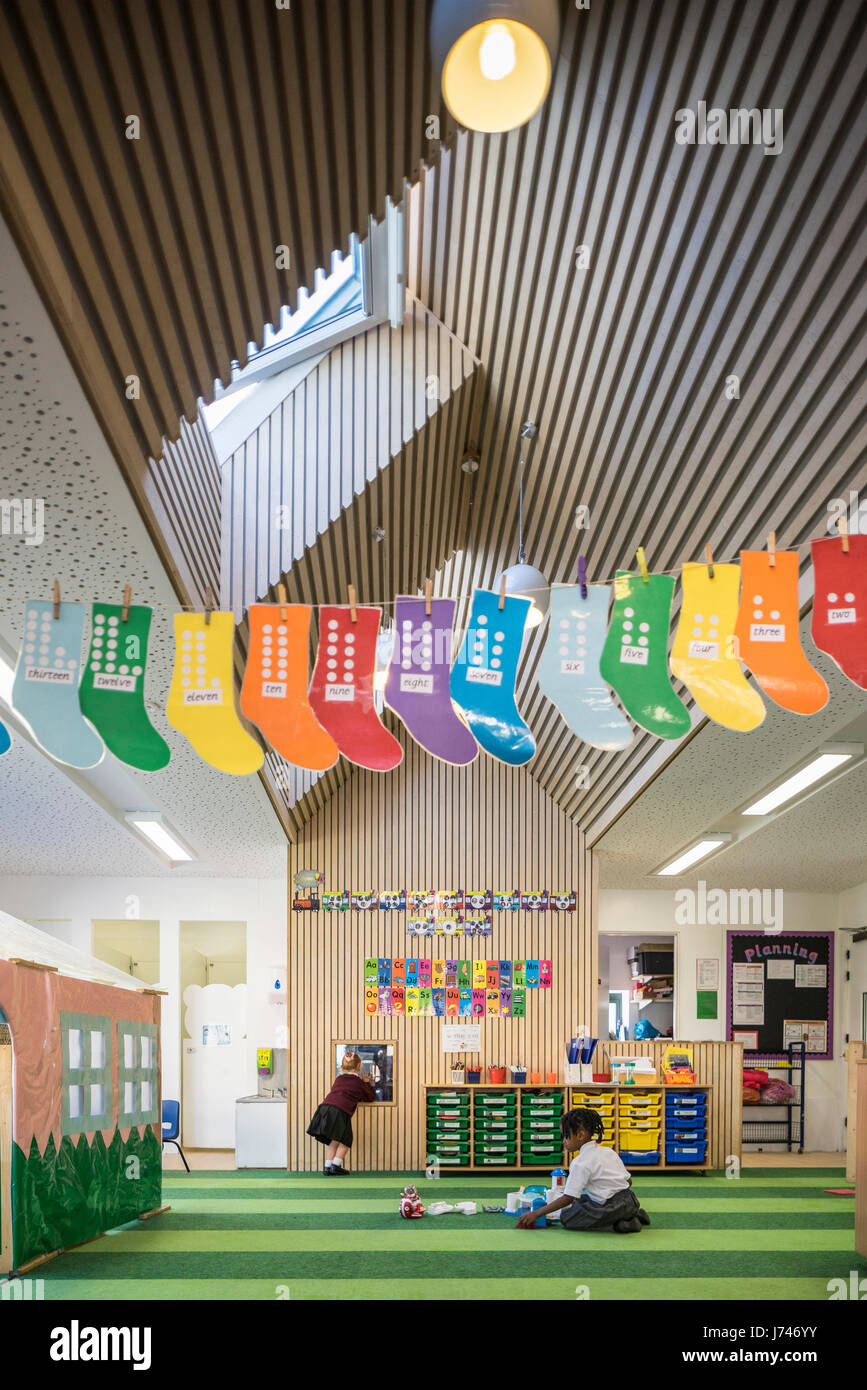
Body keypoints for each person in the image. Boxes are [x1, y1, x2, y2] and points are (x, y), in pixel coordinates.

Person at [516, 1107, 651, 1232]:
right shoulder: (608, 1151)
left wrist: (536, 1213)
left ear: (580, 1135)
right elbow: (629, 1181)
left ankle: (625, 1223)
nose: (563, 1141)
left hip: (613, 1208)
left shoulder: (580, 1162)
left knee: (568, 1217)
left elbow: (567, 1198)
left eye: (565, 1136)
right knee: (583, 1198)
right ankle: (634, 1213)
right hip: (631, 1200)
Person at [307, 1050, 375, 1174]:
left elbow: (343, 1091)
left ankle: (327, 1167)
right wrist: (367, 1083)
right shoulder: (359, 1083)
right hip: (340, 1110)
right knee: (346, 1139)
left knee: (335, 1139)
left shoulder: (339, 1079)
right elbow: (369, 1097)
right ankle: (336, 1165)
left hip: (325, 1107)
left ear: (342, 1067)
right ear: (359, 1067)